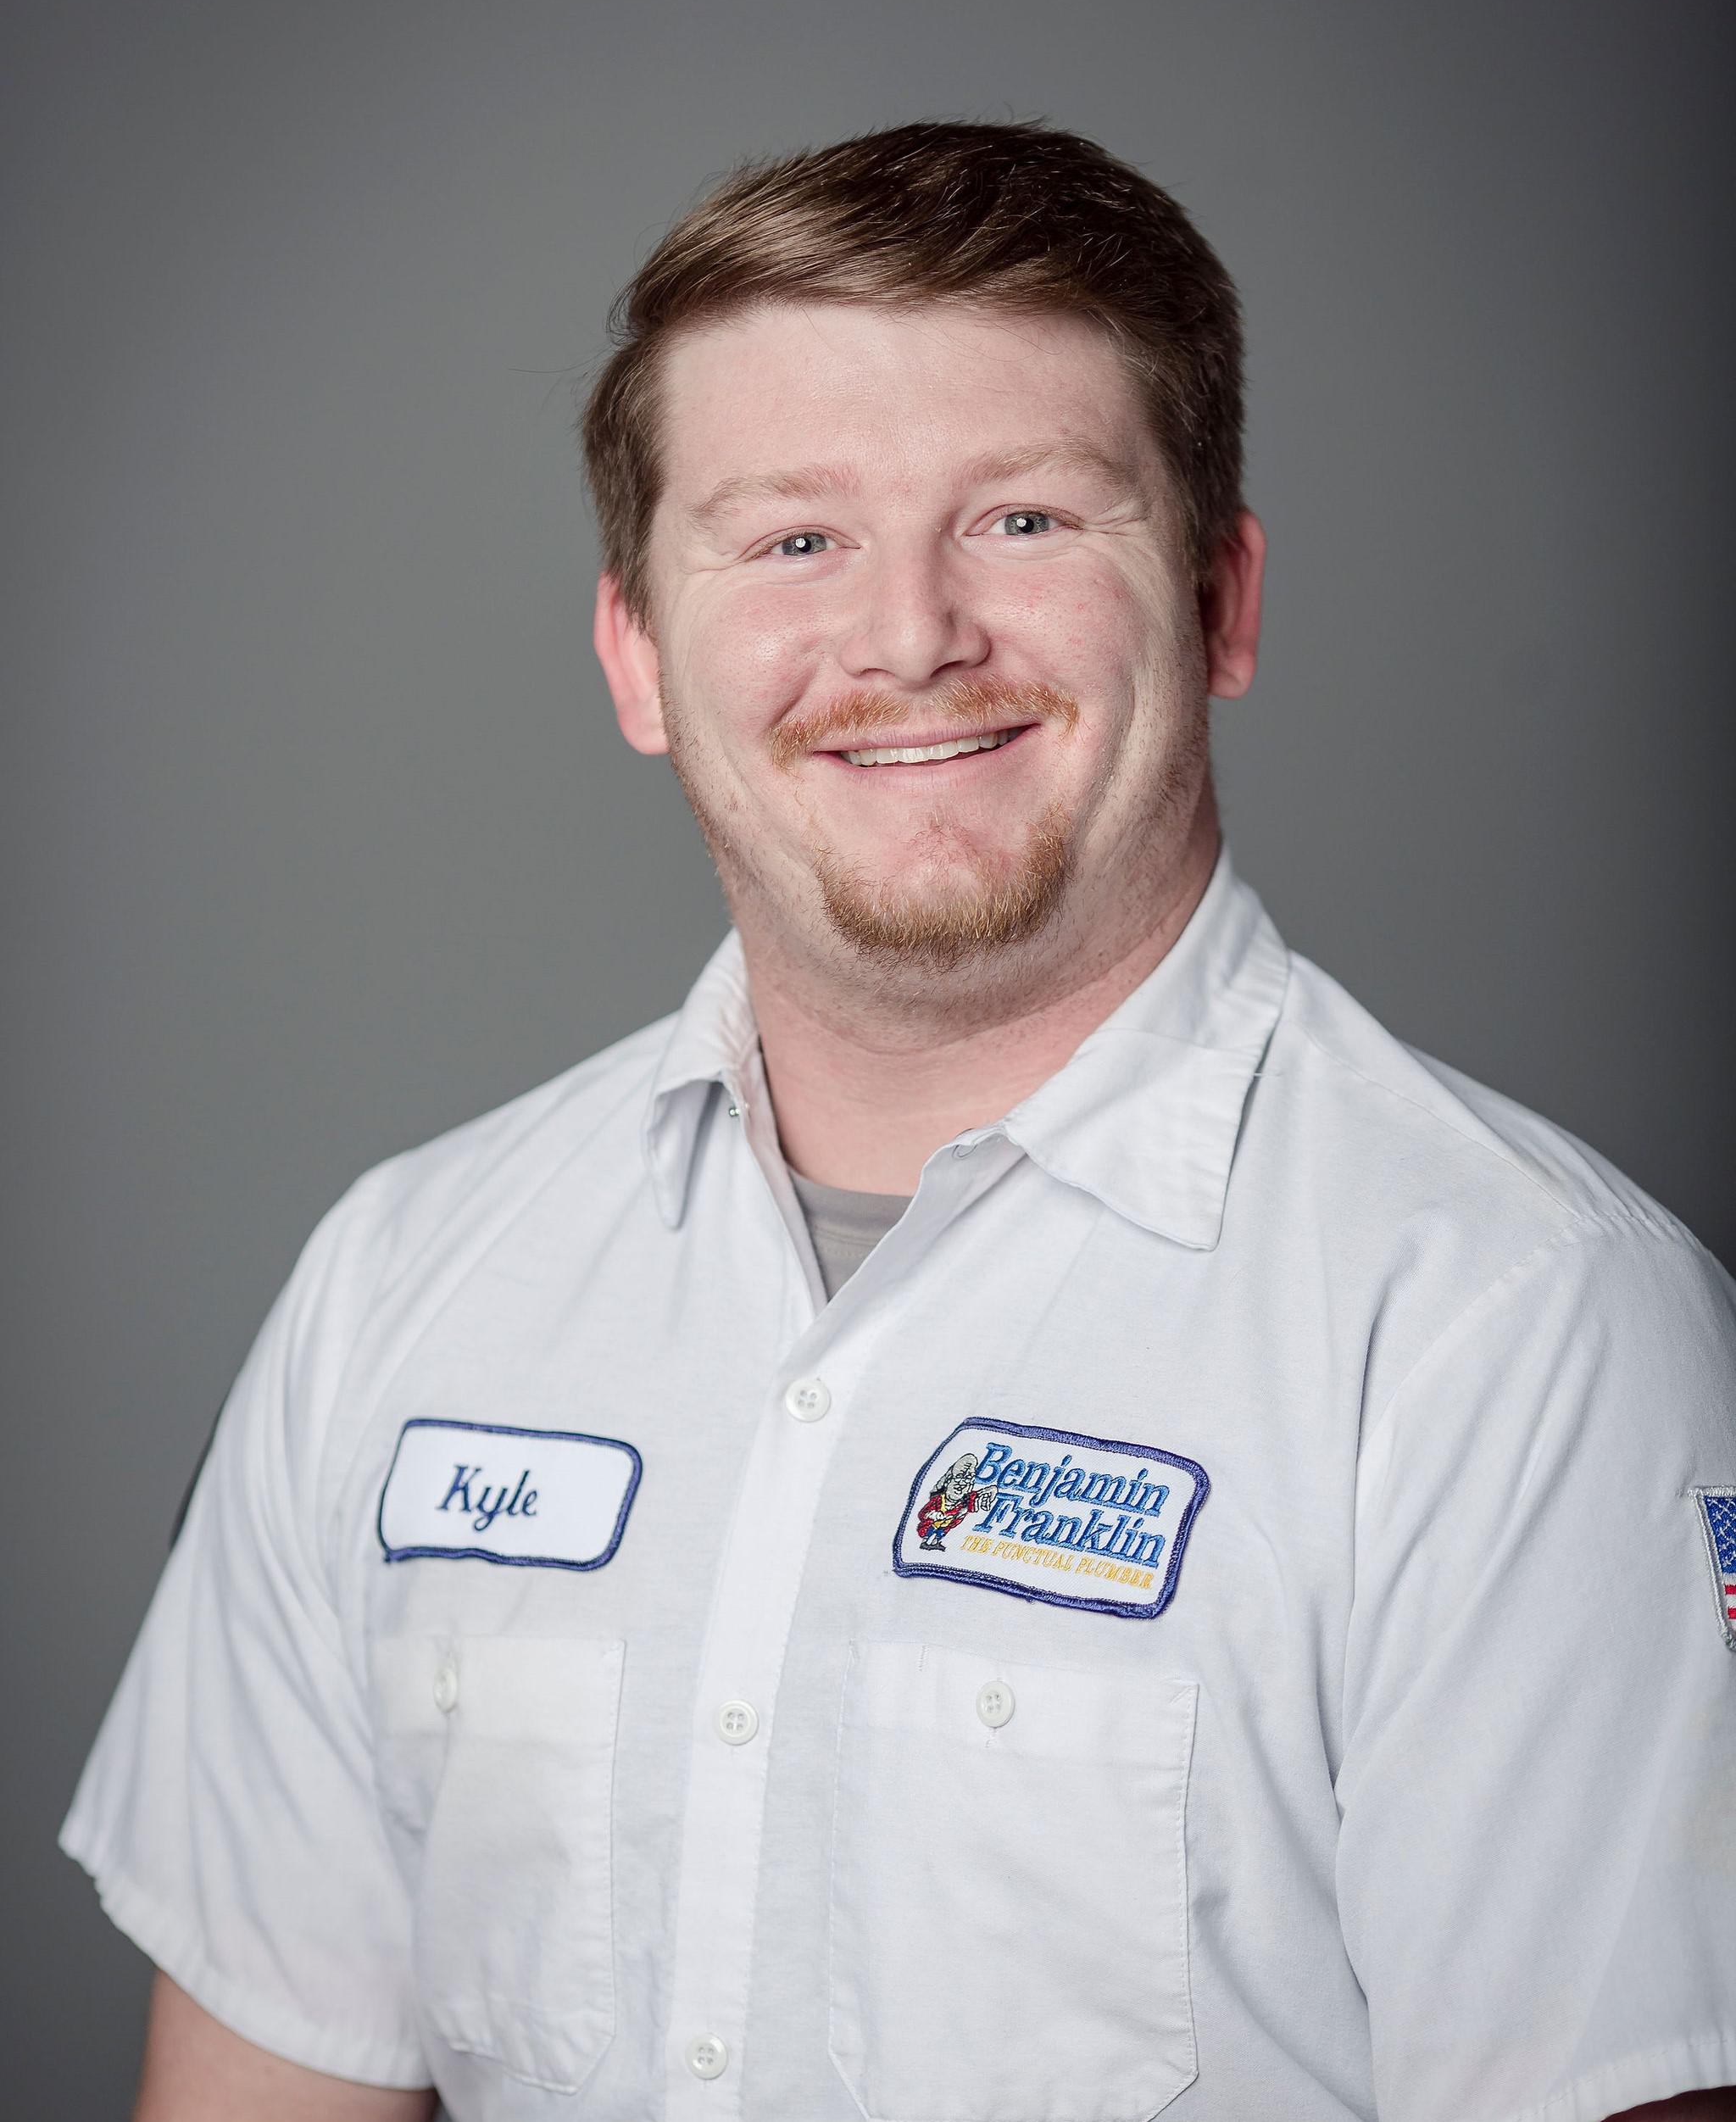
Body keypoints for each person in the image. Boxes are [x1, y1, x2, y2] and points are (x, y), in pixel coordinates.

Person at [63, 120, 1736, 2122]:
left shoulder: (1519, 1331)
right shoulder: (399, 1289)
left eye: (1024, 518)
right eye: (793, 541)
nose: (911, 635)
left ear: (1219, 600)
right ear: (634, 654)